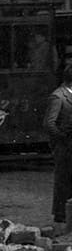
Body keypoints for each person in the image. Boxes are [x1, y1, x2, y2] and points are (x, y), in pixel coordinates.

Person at [44, 64, 72, 233]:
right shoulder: (58, 96)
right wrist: (62, 138)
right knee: (64, 181)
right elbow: (49, 123)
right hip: (65, 147)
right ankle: (61, 217)